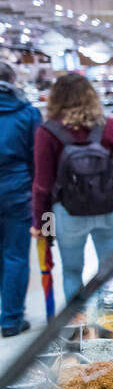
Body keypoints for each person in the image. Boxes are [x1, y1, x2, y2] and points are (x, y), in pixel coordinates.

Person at [33, 72, 113, 305]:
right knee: (111, 273)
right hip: (110, 209)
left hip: (68, 214)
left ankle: (76, 333)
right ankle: (110, 331)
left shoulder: (47, 132)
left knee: (71, 272)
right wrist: (106, 179)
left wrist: (41, 225)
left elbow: (43, 185)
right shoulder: (109, 127)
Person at [0, 62, 41, 337]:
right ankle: (11, 320)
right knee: (15, 256)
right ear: (14, 80)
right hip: (17, 191)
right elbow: (37, 159)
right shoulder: (28, 113)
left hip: (15, 187)